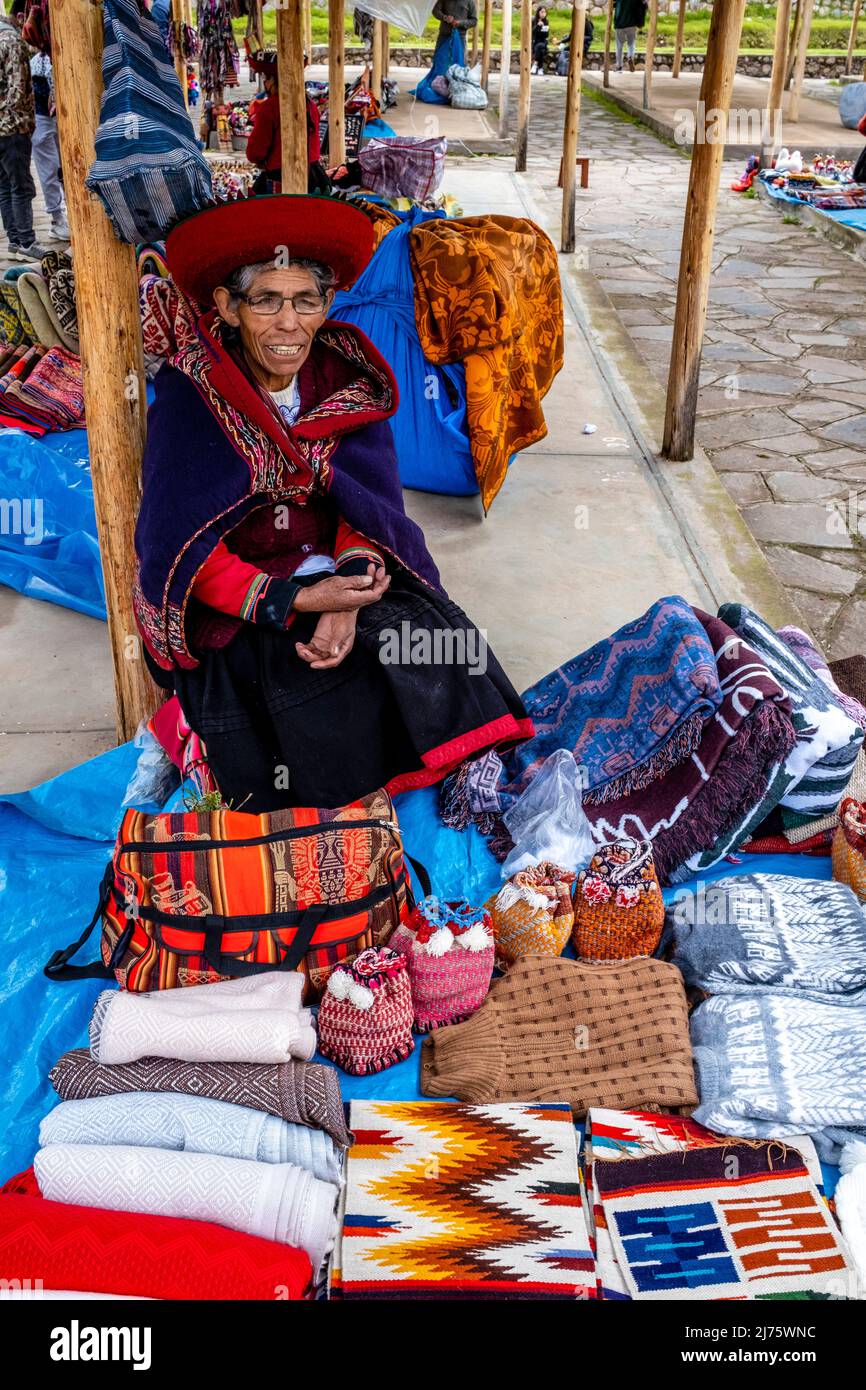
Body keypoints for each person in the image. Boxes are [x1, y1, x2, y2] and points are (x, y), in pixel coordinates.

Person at [135, 196, 532, 812]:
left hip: (331, 571)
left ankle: (459, 765)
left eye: (307, 301)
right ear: (227, 307)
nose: (289, 323)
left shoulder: (346, 381)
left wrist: (345, 593)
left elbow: (371, 506)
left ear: (327, 306)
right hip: (238, 600)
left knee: (427, 635)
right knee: (298, 680)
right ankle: (200, 742)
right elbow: (176, 544)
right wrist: (291, 599)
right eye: (266, 300)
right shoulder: (193, 398)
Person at [243, 49, 328, 195]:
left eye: (267, 78)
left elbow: (256, 152)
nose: (265, 82)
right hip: (314, 175)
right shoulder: (310, 105)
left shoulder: (269, 107)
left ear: (274, 80)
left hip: (281, 178)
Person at [0, 0, 45, 260]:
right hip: (12, 127)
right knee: (20, 186)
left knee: (5, 187)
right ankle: (26, 242)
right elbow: (17, 90)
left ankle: (15, 240)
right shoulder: (12, 42)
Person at [29, 49, 69, 242]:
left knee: (64, 167)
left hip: (57, 116)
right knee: (50, 169)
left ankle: (66, 215)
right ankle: (57, 220)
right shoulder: (38, 62)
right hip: (41, 117)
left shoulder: (57, 57)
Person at [614, 0, 645, 73]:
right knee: (631, 44)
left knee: (619, 46)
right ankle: (630, 56)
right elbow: (642, 6)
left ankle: (619, 65)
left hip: (619, 24)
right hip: (631, 24)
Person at [531, 6, 550, 75]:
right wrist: (538, 26)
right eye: (542, 12)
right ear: (538, 12)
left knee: (540, 46)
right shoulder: (534, 20)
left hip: (543, 41)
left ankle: (535, 65)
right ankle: (540, 68)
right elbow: (532, 32)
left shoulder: (546, 21)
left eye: (544, 12)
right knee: (541, 49)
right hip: (535, 41)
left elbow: (546, 35)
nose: (543, 14)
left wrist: (543, 28)